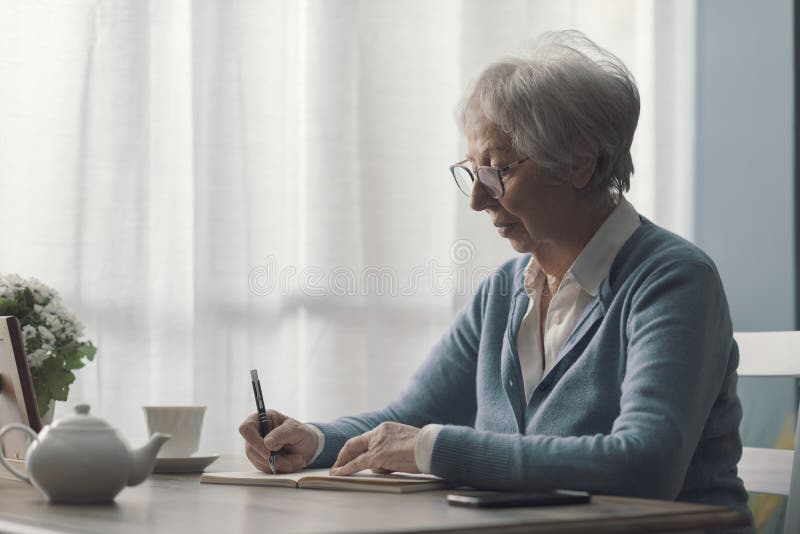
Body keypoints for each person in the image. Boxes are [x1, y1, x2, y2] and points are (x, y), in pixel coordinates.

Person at [240, 30, 753, 531]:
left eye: (498, 172)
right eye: (472, 172)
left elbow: (644, 465)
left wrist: (433, 448)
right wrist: (313, 439)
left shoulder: (673, 280)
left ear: (578, 163)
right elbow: (410, 416)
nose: (477, 200)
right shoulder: (503, 293)